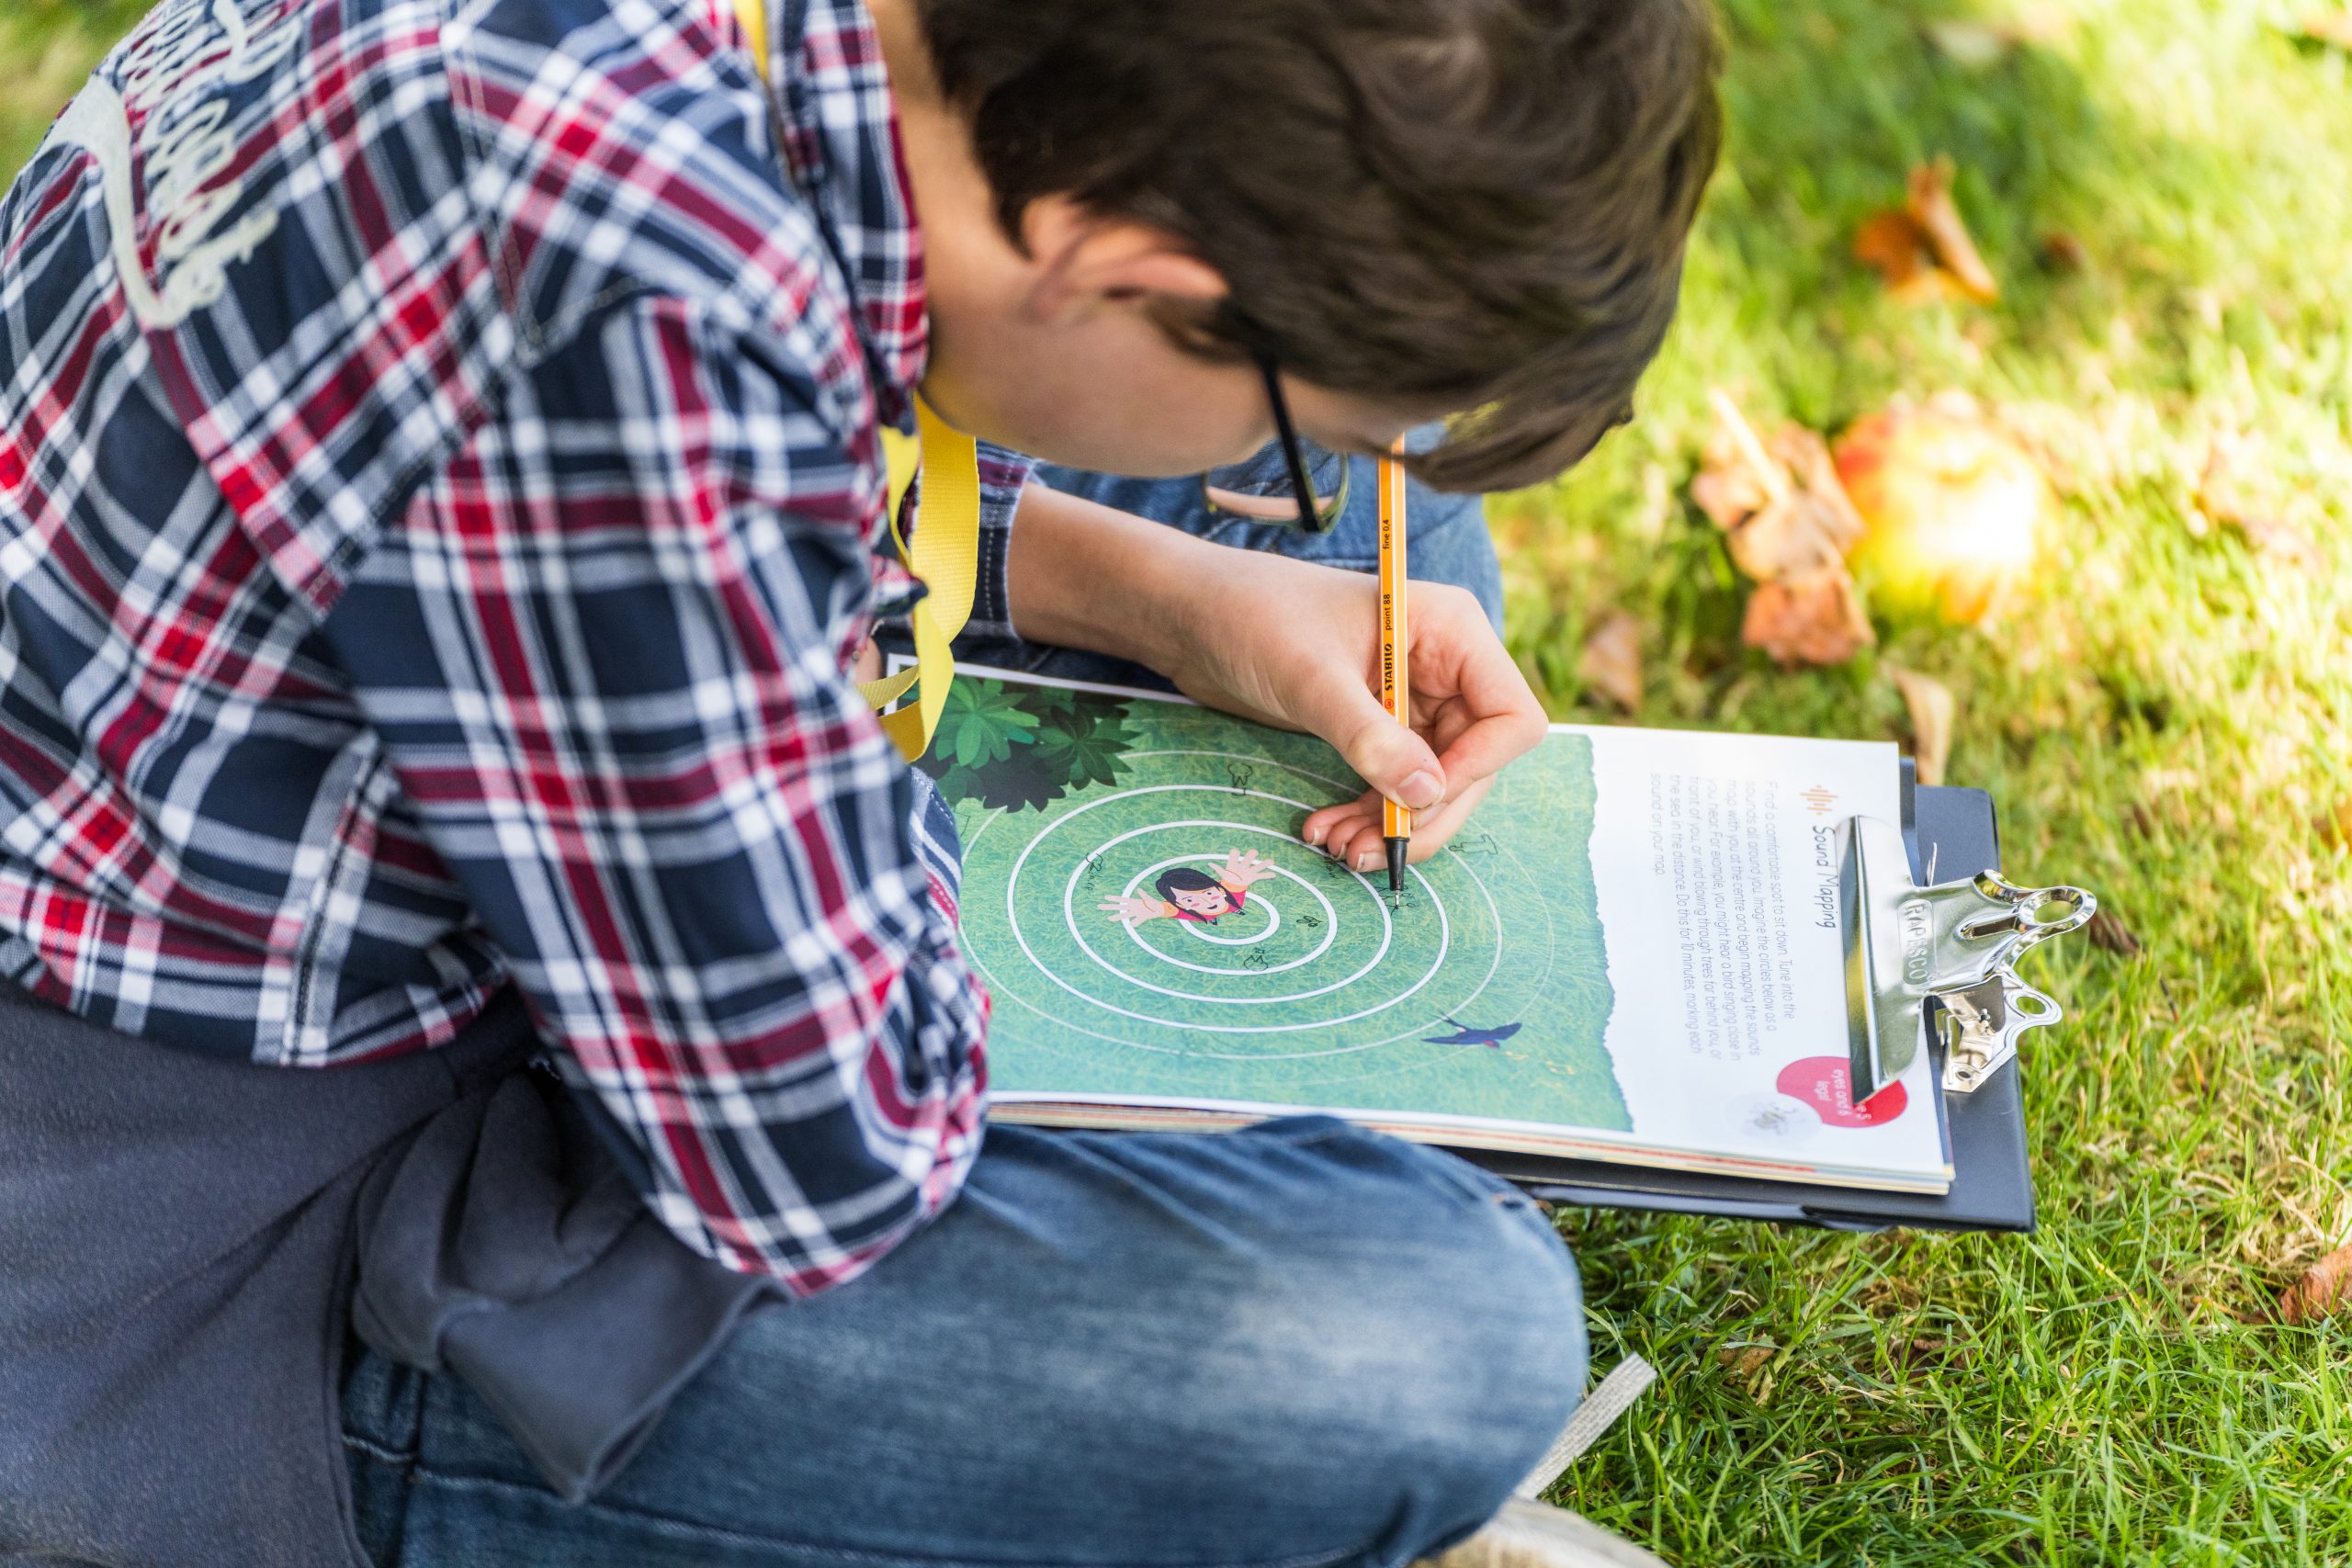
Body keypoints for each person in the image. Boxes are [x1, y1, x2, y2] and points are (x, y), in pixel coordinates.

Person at [0, 0, 1722, 1563]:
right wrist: (1170, 995)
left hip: (423, 746)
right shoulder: (626, 327)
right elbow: (818, 1165)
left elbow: (748, 490)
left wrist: (1175, 591)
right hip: (223, 1233)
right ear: (1118, 259)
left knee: (1371, 547)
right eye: (1298, 416)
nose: (1324, 467)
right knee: (1439, 1334)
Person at [1102, 851, 1277, 926]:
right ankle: (1213, 919)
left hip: (1229, 899)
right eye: (1190, 900)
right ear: (1181, 906)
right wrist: (1155, 909)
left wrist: (1238, 882)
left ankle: (1233, 912)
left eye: (1209, 892)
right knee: (1209, 916)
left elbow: (1235, 884)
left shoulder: (1232, 892)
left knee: (1232, 907)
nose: (1207, 900)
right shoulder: (1184, 912)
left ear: (1221, 890)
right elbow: (1167, 909)